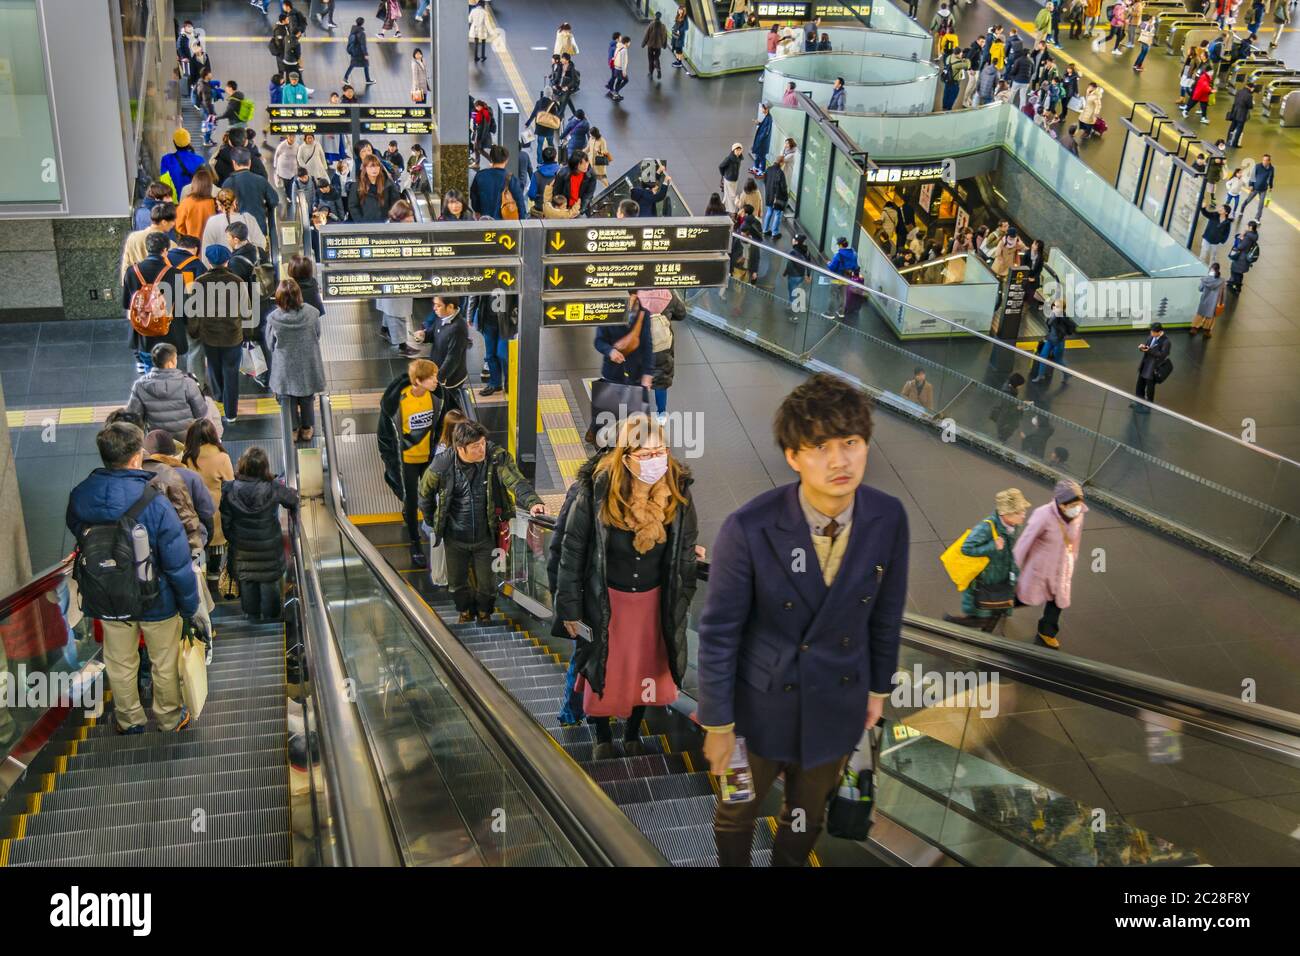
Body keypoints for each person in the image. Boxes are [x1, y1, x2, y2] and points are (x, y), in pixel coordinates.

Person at [698, 373, 908, 868]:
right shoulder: (749, 527)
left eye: (851, 443)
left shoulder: (888, 517)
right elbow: (719, 631)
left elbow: (886, 613)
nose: (839, 460)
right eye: (820, 446)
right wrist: (718, 723)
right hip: (752, 715)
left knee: (805, 817)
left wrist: (877, 690)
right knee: (735, 811)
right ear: (793, 457)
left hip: (837, 705)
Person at [555, 414, 698, 760]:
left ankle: (633, 732)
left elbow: (685, 541)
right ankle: (603, 737)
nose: (655, 461)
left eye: (660, 451)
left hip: (652, 604)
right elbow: (571, 553)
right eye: (645, 455)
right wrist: (571, 611)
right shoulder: (597, 490)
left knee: (643, 669)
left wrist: (689, 566)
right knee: (605, 667)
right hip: (606, 603)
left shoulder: (676, 491)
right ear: (626, 455)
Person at [67, 421, 199, 734]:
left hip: (107, 596)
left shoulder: (80, 496)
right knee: (163, 663)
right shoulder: (154, 501)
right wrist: (189, 606)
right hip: (157, 599)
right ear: (137, 457)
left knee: (120, 662)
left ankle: (129, 720)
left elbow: (78, 532)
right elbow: (177, 562)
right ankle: (168, 719)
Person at [418, 420, 544, 624]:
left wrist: (533, 502)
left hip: (486, 537)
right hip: (454, 538)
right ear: (460, 448)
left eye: (483, 443)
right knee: (457, 584)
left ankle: (485, 613)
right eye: (475, 446)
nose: (482, 449)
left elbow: (515, 480)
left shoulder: (496, 458)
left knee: (488, 584)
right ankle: (465, 611)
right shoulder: (442, 463)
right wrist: (432, 520)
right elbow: (424, 493)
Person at [221, 447, 299, 622]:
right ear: (264, 467)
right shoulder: (272, 488)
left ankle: (252, 615)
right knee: (269, 582)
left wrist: (233, 538)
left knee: (247, 582)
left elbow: (226, 522)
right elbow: (293, 500)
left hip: (242, 546)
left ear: (242, 465)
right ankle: (271, 617)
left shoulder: (229, 489)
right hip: (268, 547)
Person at [378, 359, 441, 569]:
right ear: (418, 381)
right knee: (412, 502)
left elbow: (445, 421)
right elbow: (385, 435)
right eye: (431, 378)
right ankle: (415, 543)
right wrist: (391, 461)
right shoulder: (399, 401)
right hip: (406, 462)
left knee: (431, 496)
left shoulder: (436, 398)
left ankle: (432, 526)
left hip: (429, 459)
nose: (436, 381)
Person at [943, 489, 1030, 633]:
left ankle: (986, 637)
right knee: (982, 613)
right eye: (1018, 512)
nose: (1023, 515)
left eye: (1023, 511)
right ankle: (952, 622)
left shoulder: (1013, 526)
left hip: (1002, 576)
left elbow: (1008, 551)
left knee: (997, 610)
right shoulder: (985, 528)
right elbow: (967, 548)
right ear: (1004, 513)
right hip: (986, 580)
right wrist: (992, 546)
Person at [1014, 480, 1086, 649]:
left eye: (1079, 503)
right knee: (1024, 597)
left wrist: (1073, 557)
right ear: (1061, 503)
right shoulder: (1043, 515)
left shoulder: (1079, 513)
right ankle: (1000, 606)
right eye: (1074, 504)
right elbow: (1025, 541)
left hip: (1062, 568)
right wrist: (1013, 566)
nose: (1078, 508)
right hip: (1042, 567)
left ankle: (1047, 631)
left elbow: (1075, 538)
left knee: (1057, 601)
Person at [186, 244, 249, 420]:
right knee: (231, 371)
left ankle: (220, 397)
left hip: (209, 335)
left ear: (208, 261)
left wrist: (194, 331)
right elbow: (246, 311)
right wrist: (248, 331)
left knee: (213, 367)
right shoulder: (237, 282)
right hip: (232, 335)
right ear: (227, 260)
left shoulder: (200, 282)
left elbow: (193, 311)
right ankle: (231, 413)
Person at [265, 278, 324, 442]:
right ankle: (307, 428)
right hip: (307, 363)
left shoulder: (274, 319)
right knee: (306, 397)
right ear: (299, 296)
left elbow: (270, 343)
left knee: (287, 398)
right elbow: (317, 334)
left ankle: (292, 429)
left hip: (285, 366)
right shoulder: (312, 313)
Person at [182, 418, 235, 575]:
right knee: (216, 550)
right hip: (216, 514)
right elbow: (230, 485)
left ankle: (198, 577)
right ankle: (213, 577)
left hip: (194, 513)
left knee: (197, 548)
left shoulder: (186, 458)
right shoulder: (222, 457)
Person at [416, 295, 470, 404]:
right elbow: (433, 333)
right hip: (436, 372)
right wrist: (423, 336)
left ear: (450, 307)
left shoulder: (458, 328)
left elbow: (452, 359)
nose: (434, 308)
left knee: (447, 405)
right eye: (434, 304)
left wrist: (438, 379)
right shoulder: (442, 317)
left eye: (438, 305)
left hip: (449, 380)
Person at [222, 147, 280, 236]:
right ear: (249, 162)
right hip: (259, 228)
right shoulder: (260, 180)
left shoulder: (228, 183)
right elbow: (274, 200)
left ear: (233, 162)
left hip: (236, 232)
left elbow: (224, 208)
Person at [201, 189, 265, 265]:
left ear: (218, 204)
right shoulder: (248, 218)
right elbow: (261, 243)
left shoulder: (212, 221)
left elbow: (207, 250)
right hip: (246, 266)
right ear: (235, 202)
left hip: (222, 270)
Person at [468, 144, 527, 220]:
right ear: (506, 160)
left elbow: (474, 198)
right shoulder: (511, 179)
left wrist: (478, 211)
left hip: (485, 220)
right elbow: (520, 203)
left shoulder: (480, 175)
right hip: (505, 223)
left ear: (491, 159)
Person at [347, 154, 401, 223]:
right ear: (365, 168)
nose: (374, 169)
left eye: (376, 166)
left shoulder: (388, 183)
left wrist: (391, 220)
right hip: (366, 225)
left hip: (386, 224)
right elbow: (353, 206)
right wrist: (360, 222)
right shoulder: (357, 185)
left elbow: (396, 203)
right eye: (371, 167)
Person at [1130, 322, 1170, 410]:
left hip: (1153, 367)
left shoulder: (1166, 341)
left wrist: (1149, 351)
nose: (1151, 334)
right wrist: (1143, 348)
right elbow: (1147, 347)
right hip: (1145, 364)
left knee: (1150, 387)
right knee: (1140, 384)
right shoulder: (1151, 337)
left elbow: (1163, 355)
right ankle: (1138, 401)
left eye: (1153, 332)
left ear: (1159, 332)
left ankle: (1148, 405)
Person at [160, 129, 207, 203]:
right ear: (189, 142)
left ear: (174, 143)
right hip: (196, 202)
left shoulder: (166, 160)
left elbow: (164, 182)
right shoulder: (200, 160)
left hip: (176, 203)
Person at [174, 166, 217, 245]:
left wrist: (188, 234)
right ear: (209, 186)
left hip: (191, 244)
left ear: (194, 184)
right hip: (210, 242)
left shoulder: (186, 202)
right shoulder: (214, 203)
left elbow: (179, 226)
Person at [550, 152, 596, 217]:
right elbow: (557, 193)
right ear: (575, 164)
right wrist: (561, 209)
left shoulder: (591, 175)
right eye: (582, 163)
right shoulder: (563, 174)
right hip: (564, 209)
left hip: (579, 209)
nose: (586, 165)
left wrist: (580, 210)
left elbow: (588, 194)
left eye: (587, 162)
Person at [826, 236, 859, 319]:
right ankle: (841, 312)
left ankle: (830, 313)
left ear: (840, 245)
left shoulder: (838, 255)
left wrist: (828, 263)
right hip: (846, 277)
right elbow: (855, 266)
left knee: (833, 295)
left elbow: (832, 267)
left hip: (837, 277)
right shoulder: (854, 254)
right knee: (843, 295)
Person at [1190, 263, 1227, 339]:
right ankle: (1207, 331)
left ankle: (1194, 328)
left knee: (1200, 314)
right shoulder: (1222, 281)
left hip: (1204, 300)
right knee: (1211, 316)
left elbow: (1200, 289)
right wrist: (1221, 302)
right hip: (1214, 302)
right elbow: (1223, 292)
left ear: (1211, 269)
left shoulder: (1205, 279)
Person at [1238, 155, 1273, 229]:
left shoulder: (1271, 168)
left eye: (1266, 160)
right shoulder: (1258, 166)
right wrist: (1251, 185)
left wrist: (1271, 186)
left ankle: (1257, 218)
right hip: (1255, 188)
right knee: (1248, 200)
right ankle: (1242, 209)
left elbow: (1271, 177)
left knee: (1261, 203)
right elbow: (1252, 176)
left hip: (1264, 189)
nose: (1264, 161)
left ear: (1269, 161)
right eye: (1263, 160)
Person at [1198, 197, 1232, 265]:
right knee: (1203, 253)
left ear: (1226, 212)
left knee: (1213, 257)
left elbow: (1226, 233)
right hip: (1207, 238)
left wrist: (1221, 240)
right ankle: (1200, 266)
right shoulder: (1214, 215)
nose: (1219, 209)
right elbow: (1205, 213)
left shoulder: (1227, 222)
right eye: (1220, 207)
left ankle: (1211, 270)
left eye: (1222, 209)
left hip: (1216, 242)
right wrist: (1203, 208)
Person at [1227, 220, 1259, 292]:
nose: (1246, 227)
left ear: (1250, 227)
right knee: (1238, 272)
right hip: (1245, 257)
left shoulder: (1248, 237)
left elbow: (1240, 247)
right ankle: (1234, 283)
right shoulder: (1254, 235)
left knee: (1236, 271)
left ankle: (1236, 286)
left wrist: (1241, 238)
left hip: (1241, 258)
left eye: (1247, 226)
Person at [762, 156, 789, 239]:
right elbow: (783, 187)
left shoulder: (768, 169)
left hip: (769, 195)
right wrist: (786, 196)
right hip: (778, 197)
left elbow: (764, 180)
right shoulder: (780, 173)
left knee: (769, 211)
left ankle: (765, 230)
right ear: (781, 163)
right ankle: (775, 233)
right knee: (778, 213)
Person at [344, 18, 373, 85]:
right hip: (359, 52)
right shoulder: (361, 33)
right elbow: (363, 44)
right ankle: (367, 79)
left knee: (353, 64)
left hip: (353, 50)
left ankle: (345, 78)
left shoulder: (353, 30)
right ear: (362, 23)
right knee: (365, 64)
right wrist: (365, 53)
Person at [718, 143, 744, 213]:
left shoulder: (739, 158)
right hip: (729, 179)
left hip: (735, 179)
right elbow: (721, 166)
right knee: (732, 195)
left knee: (728, 193)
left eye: (740, 150)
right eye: (737, 150)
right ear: (733, 150)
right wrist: (723, 174)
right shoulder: (729, 159)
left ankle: (723, 205)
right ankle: (732, 210)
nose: (739, 151)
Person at [643, 11, 669, 80]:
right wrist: (664, 45)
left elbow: (647, 35)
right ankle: (658, 70)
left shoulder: (651, 24)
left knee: (651, 60)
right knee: (656, 58)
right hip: (658, 46)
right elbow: (665, 36)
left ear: (655, 16)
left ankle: (651, 74)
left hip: (650, 45)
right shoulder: (663, 26)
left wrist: (643, 43)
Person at [751, 102, 773, 176]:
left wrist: (759, 140)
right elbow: (764, 127)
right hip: (760, 141)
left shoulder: (769, 118)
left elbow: (766, 132)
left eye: (763, 108)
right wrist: (759, 123)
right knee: (757, 155)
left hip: (762, 142)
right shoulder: (766, 117)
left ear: (766, 109)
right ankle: (756, 167)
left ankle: (762, 171)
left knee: (762, 156)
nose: (761, 109)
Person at [607, 34, 631, 102]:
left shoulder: (618, 47)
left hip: (616, 68)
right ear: (626, 43)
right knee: (626, 80)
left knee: (619, 80)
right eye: (629, 42)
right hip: (620, 69)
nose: (629, 44)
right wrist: (624, 71)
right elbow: (623, 61)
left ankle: (616, 95)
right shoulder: (624, 50)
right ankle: (615, 93)